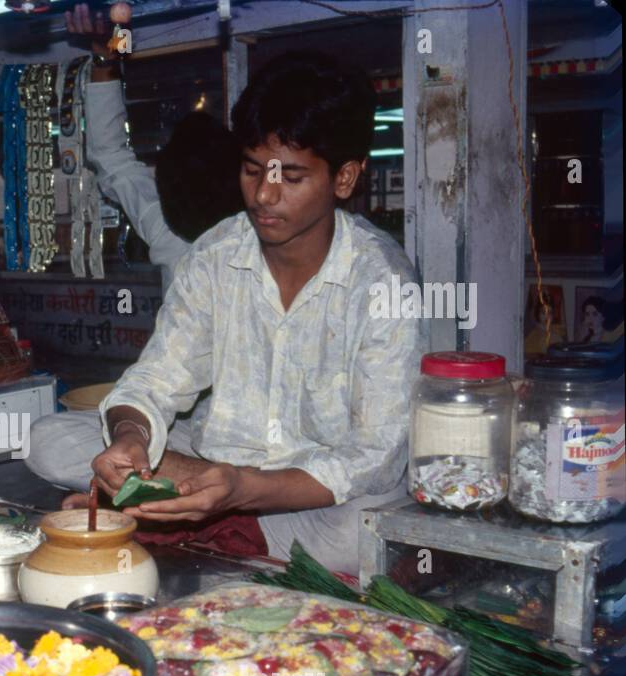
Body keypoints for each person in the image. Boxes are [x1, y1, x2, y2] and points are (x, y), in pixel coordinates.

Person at [25, 50, 424, 575]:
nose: (263, 194)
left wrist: (242, 489)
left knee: (365, 526)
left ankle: (183, 513)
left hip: (302, 489)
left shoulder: (383, 281)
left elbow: (375, 457)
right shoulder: (215, 254)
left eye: (292, 178)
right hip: (211, 458)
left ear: (345, 178)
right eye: (252, 169)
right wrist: (131, 438)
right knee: (45, 440)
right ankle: (194, 508)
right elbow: (156, 380)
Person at [64, 2, 241, 292]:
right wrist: (108, 54)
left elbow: (110, 156)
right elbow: (111, 157)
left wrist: (105, 58)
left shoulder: (170, 232)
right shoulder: (264, 234)